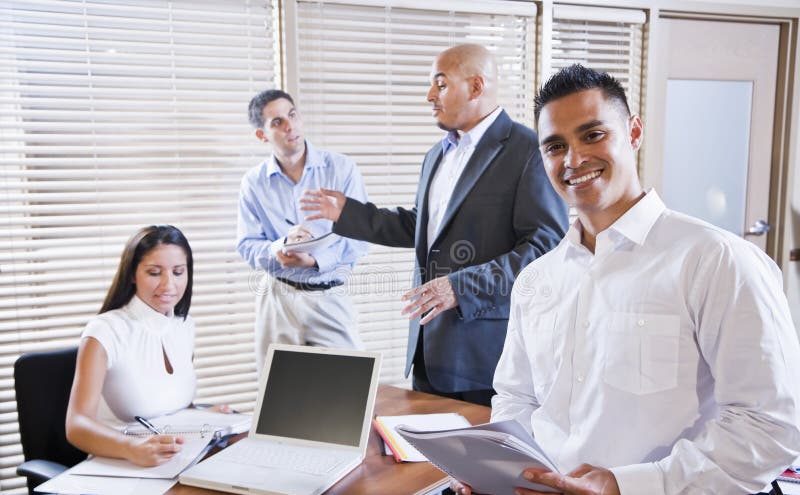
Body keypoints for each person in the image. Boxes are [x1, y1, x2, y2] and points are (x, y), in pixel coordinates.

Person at [452, 64, 800, 495]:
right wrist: (497, 475)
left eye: (593, 135)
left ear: (633, 132)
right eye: (555, 146)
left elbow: (770, 426)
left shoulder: (717, 260)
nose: (572, 159)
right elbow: (517, 396)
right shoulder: (537, 277)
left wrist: (630, 493)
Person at [301, 43, 568, 407]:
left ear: (476, 87)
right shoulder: (436, 155)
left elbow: (544, 250)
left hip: (486, 357)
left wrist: (461, 287)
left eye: (440, 84)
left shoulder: (527, 150)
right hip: (428, 350)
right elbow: (422, 226)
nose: (430, 96)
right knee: (422, 462)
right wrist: (348, 214)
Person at [66, 225, 229, 467]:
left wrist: (201, 417)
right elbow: (77, 425)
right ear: (132, 274)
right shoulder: (104, 330)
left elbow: (169, 404)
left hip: (173, 459)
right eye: (154, 272)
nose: (169, 285)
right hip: (119, 464)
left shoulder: (184, 326)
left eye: (178, 272)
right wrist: (132, 448)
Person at [238, 89, 370, 372]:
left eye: (292, 115)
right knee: (278, 393)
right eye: (277, 122)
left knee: (349, 385)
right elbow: (247, 245)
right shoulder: (253, 182)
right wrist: (279, 248)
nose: (290, 126)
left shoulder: (342, 169)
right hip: (277, 297)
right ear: (262, 135)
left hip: (327, 293)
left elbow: (360, 237)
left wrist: (316, 261)